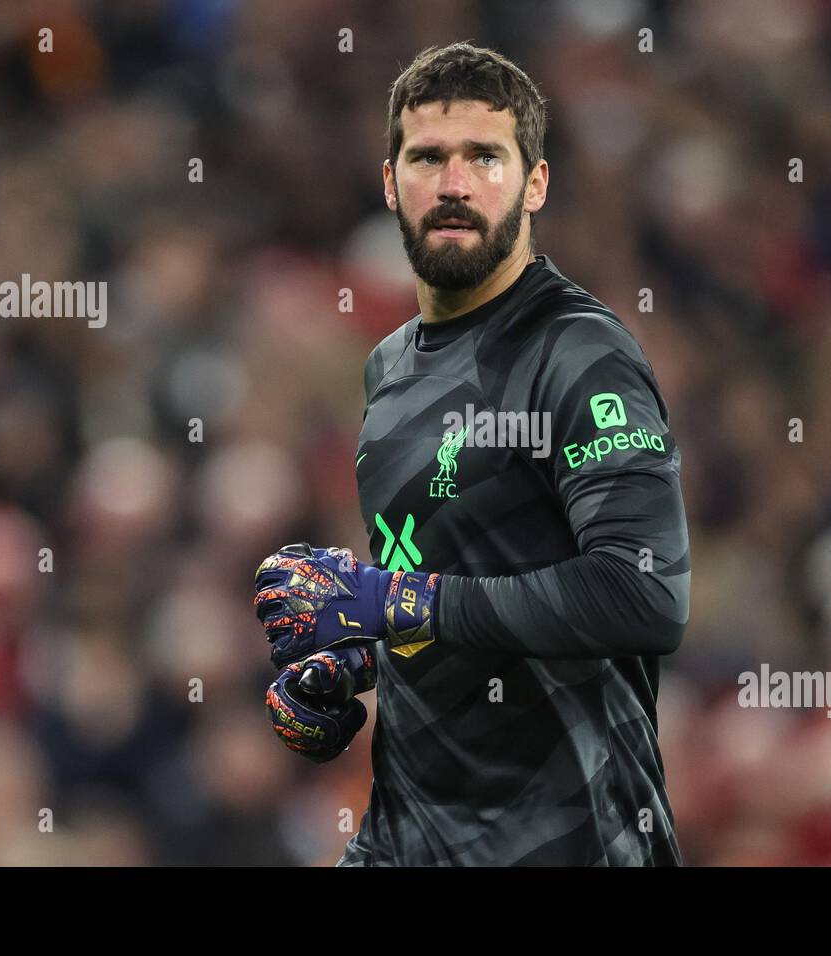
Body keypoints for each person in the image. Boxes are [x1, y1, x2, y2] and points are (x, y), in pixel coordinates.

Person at [253, 42, 691, 866]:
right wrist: (356, 665)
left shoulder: (577, 351)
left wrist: (400, 604)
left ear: (535, 184)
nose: (453, 184)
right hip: (408, 842)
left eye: (485, 157)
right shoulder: (388, 367)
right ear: (391, 183)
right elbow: (467, 586)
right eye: (427, 158)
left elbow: (643, 594)